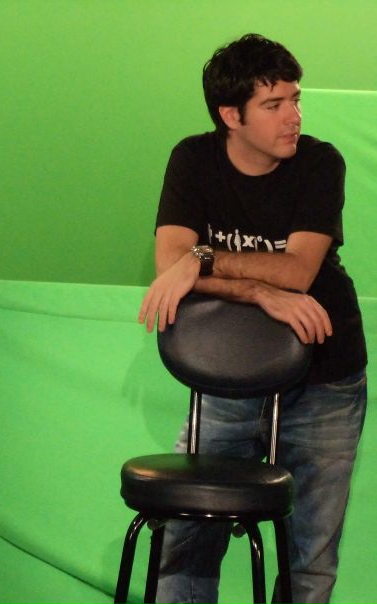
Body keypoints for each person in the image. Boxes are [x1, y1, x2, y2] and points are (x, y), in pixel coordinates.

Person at [137, 33, 368, 604]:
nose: (294, 116)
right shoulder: (193, 159)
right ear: (230, 115)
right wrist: (261, 293)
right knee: (187, 541)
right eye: (274, 104)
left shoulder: (320, 162)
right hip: (226, 384)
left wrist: (203, 259)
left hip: (326, 381)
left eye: (295, 99)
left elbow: (297, 271)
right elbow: (170, 265)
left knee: (310, 552)